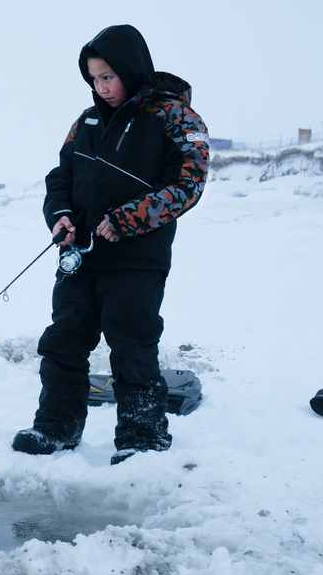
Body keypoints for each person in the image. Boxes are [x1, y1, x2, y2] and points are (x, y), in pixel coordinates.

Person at [12, 24, 209, 465]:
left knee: (132, 344)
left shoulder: (175, 117)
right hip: (80, 253)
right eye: (93, 78)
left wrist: (127, 219)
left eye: (108, 76)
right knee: (64, 340)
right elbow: (61, 176)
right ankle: (56, 426)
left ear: (131, 68)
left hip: (137, 256)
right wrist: (60, 215)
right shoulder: (87, 121)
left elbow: (188, 184)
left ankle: (143, 437)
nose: (101, 87)